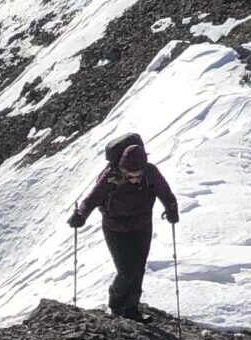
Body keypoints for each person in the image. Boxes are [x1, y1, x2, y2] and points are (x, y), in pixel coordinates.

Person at [69, 133, 178, 319]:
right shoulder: (111, 176)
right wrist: (80, 214)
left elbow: (165, 192)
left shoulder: (150, 173)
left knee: (139, 268)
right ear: (123, 169)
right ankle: (116, 303)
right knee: (126, 270)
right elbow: (93, 198)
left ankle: (131, 309)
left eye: (138, 175)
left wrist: (172, 208)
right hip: (115, 228)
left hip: (142, 225)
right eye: (130, 175)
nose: (135, 179)